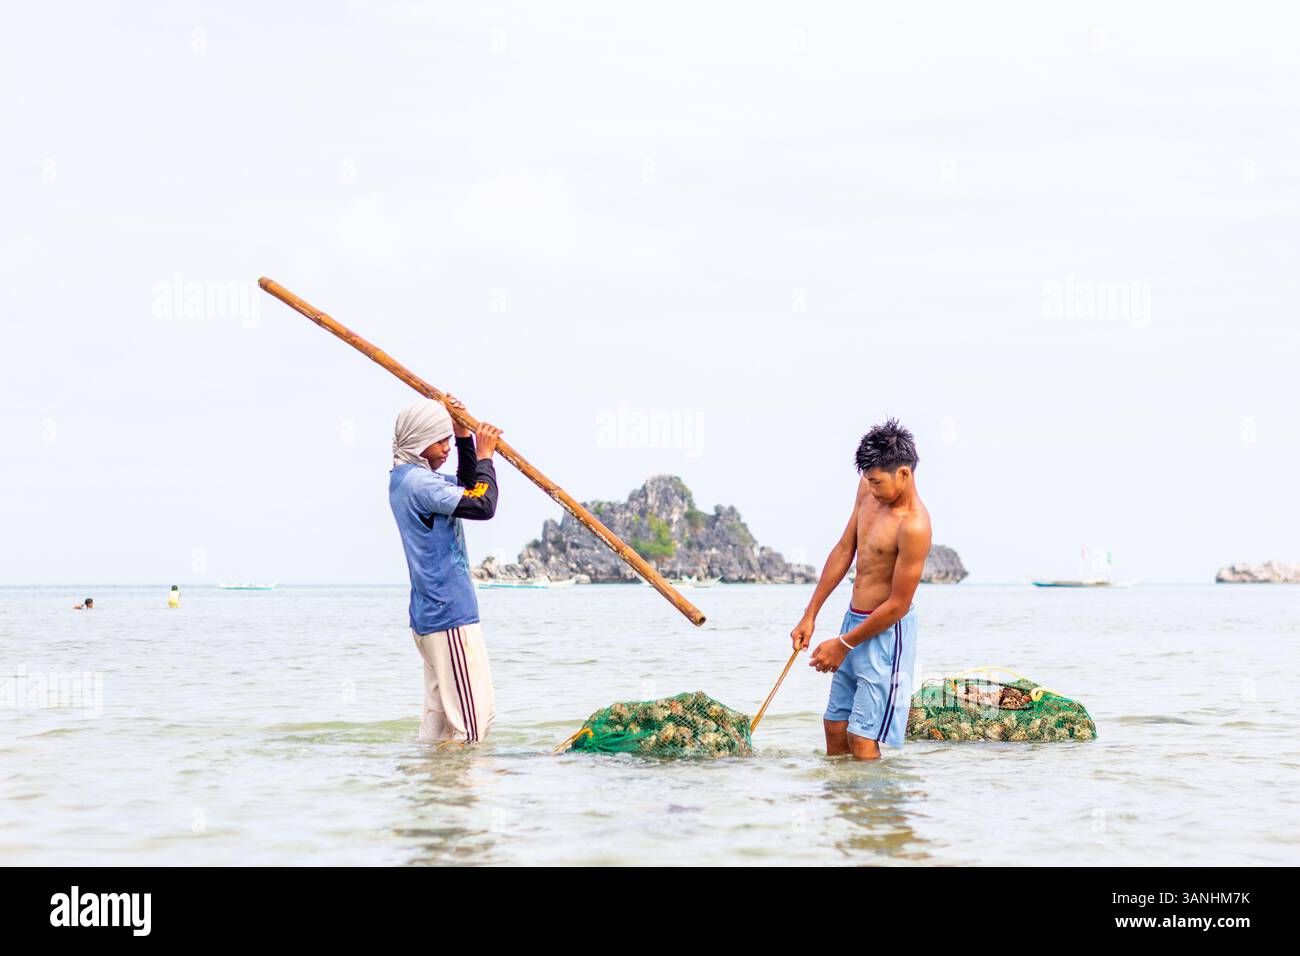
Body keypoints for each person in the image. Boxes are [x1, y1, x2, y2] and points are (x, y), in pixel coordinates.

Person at [790, 419, 932, 760]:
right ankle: (842, 808)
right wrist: (810, 615)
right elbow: (844, 549)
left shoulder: (914, 525)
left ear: (903, 474)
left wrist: (842, 645)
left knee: (861, 736)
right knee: (834, 724)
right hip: (852, 621)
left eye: (878, 482)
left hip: (886, 634)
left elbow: (898, 604)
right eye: (867, 480)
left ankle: (877, 812)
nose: (872, 488)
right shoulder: (866, 489)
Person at [389, 395, 502, 745]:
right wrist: (485, 456)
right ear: (419, 443)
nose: (446, 448)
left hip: (430, 618)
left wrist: (465, 436)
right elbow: (482, 504)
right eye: (440, 441)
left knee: (438, 730)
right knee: (472, 727)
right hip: (449, 616)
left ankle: (434, 794)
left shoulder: (406, 478)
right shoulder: (420, 484)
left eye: (448, 440)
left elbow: (469, 488)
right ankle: (466, 797)